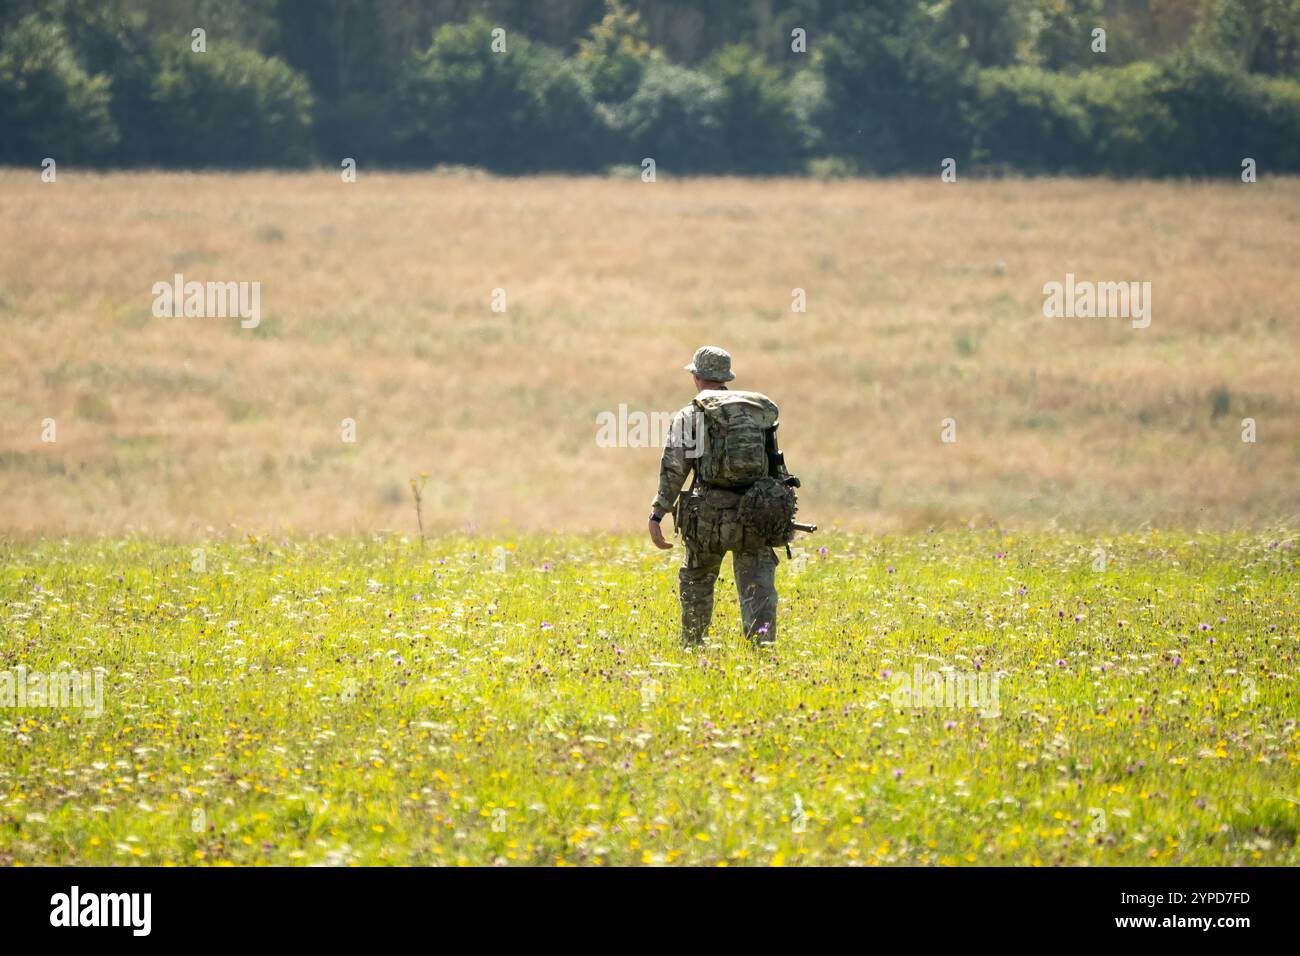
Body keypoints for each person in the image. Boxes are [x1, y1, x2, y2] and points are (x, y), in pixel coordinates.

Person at [648, 346, 783, 645]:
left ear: (697, 377)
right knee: (758, 586)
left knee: (697, 581)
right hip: (755, 513)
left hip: (707, 516)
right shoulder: (755, 412)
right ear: (726, 377)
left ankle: (693, 647)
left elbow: (674, 467)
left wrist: (658, 513)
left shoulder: (691, 414)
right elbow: (774, 463)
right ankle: (762, 650)